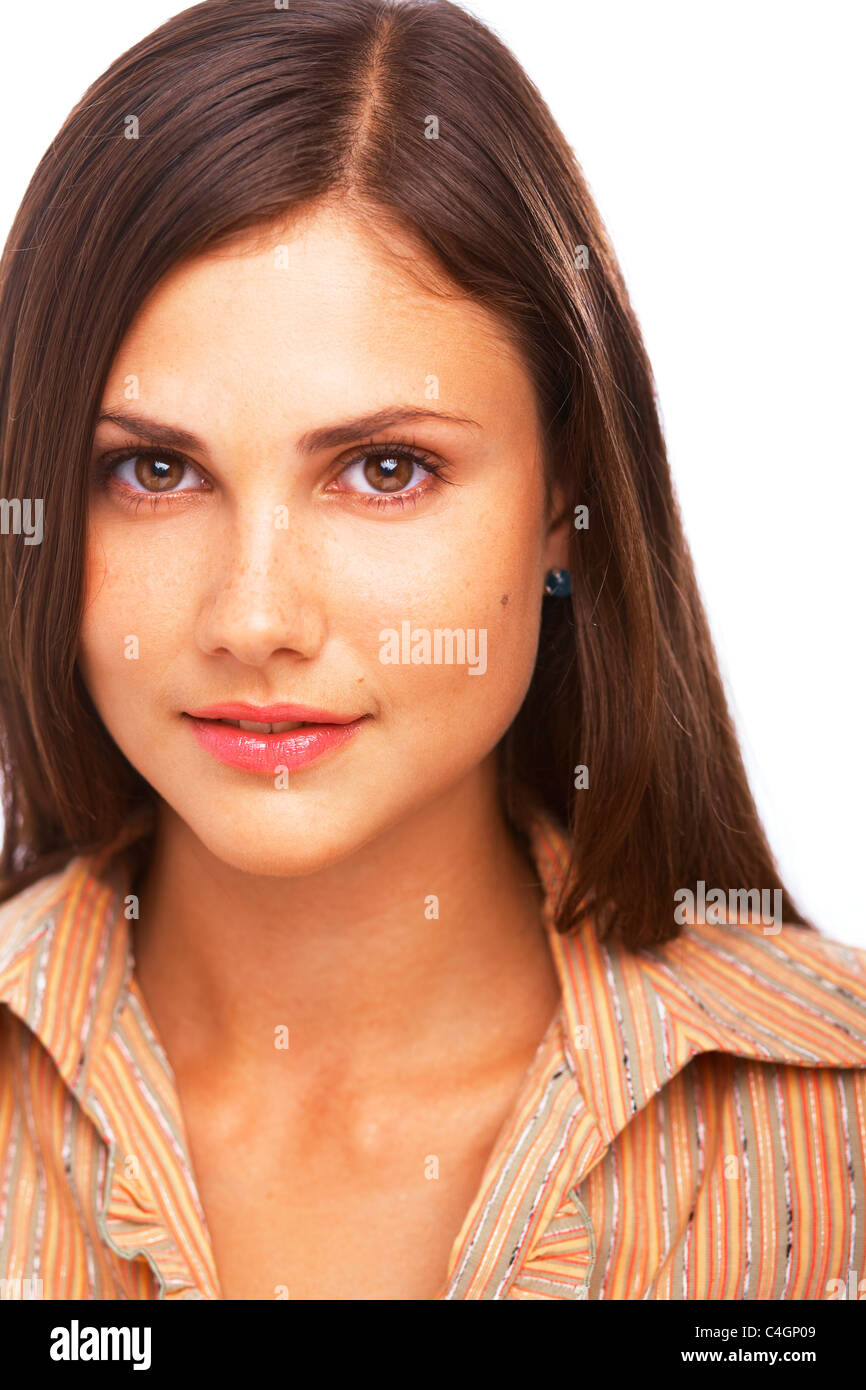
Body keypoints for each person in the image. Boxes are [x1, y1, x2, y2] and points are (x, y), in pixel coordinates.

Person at [0, 0, 863, 1302]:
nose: (254, 616)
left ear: (562, 497)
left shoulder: (838, 1138)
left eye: (384, 468)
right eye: (155, 468)